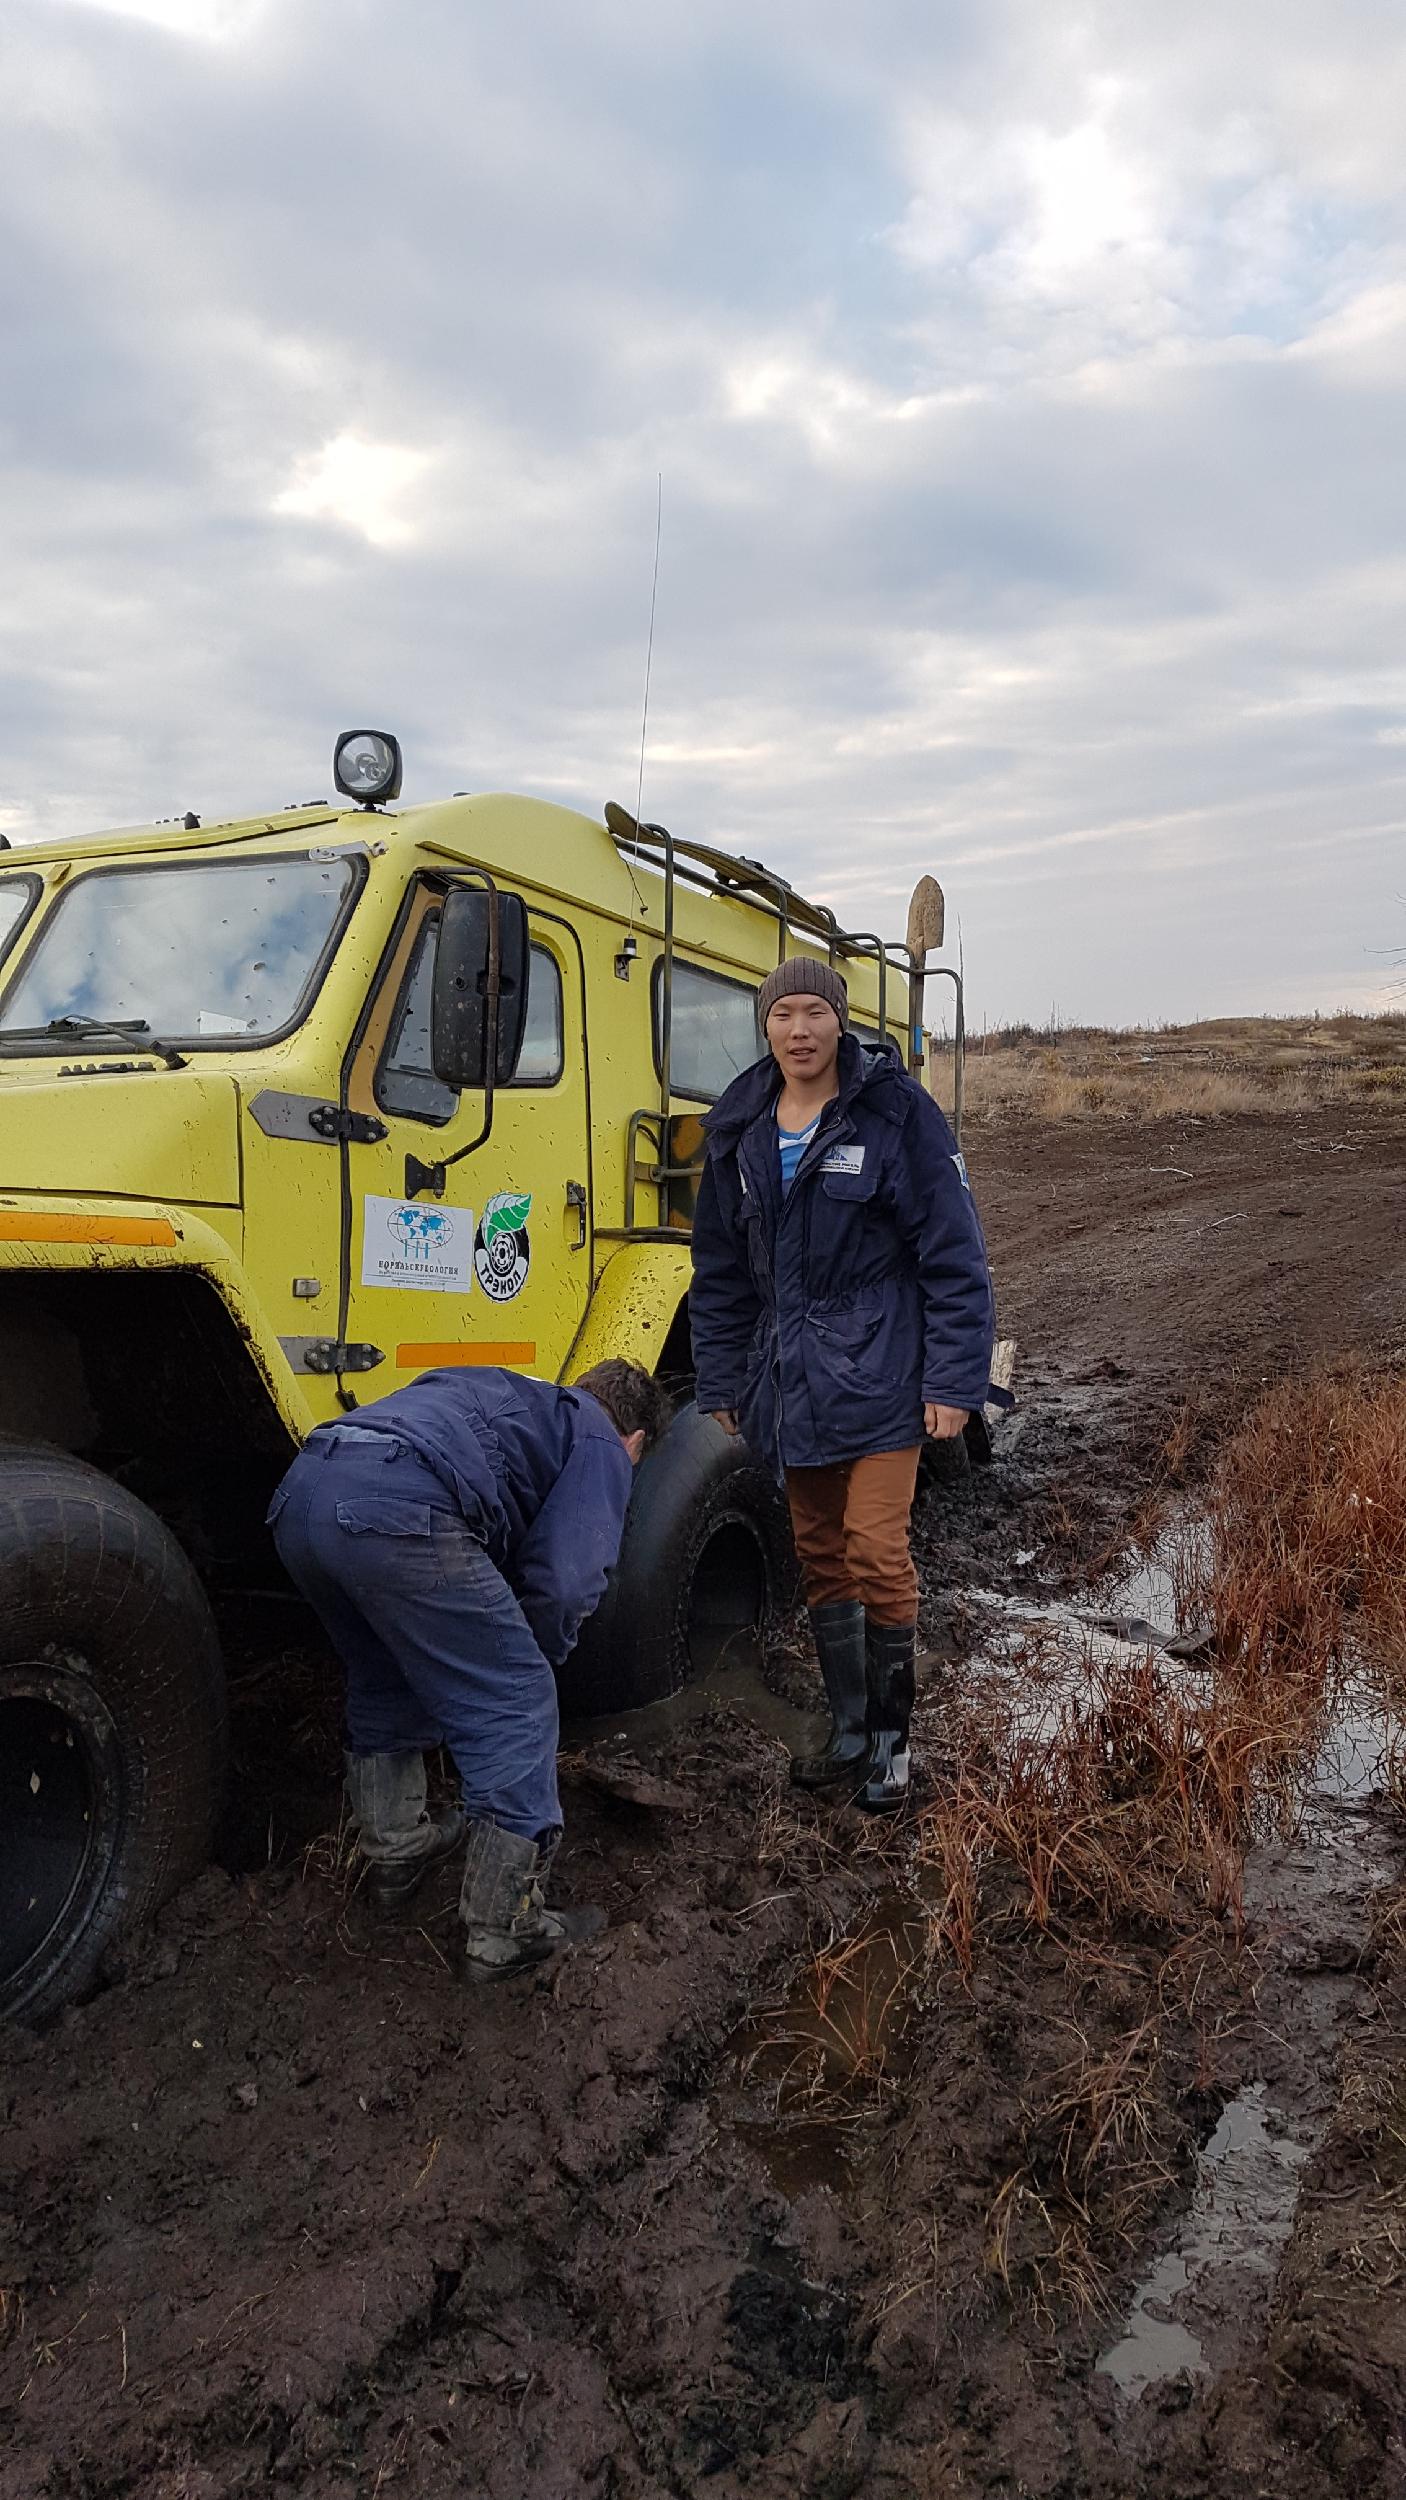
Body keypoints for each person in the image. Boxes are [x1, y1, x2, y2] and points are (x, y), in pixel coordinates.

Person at [690, 956, 995, 1810]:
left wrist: (955, 1382)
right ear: (765, 1025)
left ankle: (893, 1741)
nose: (799, 1030)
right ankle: (850, 1728)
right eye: (783, 1014)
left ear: (840, 1020)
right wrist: (722, 1378)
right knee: (822, 1555)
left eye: (814, 1013)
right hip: (790, 1380)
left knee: (874, 1548)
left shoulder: (895, 1113)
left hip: (882, 1368)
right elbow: (719, 1271)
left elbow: (954, 1254)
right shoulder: (740, 1129)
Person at [268, 1359, 671, 1981]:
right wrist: (527, 1666)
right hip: (397, 1508)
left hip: (304, 1494)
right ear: (636, 1440)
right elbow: (566, 1585)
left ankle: (396, 1851)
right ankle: (505, 1929)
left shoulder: (506, 1393)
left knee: (385, 1672)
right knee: (518, 1699)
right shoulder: (599, 1436)